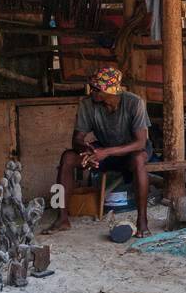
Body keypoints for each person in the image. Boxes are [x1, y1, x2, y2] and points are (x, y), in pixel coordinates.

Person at [46, 66, 152, 236]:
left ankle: (142, 222)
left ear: (109, 91)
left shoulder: (134, 103)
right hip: (103, 150)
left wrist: (107, 152)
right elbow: (77, 139)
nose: (91, 91)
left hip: (131, 152)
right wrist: (86, 149)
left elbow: (140, 143)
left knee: (139, 159)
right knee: (67, 158)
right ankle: (62, 218)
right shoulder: (87, 104)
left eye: (96, 89)